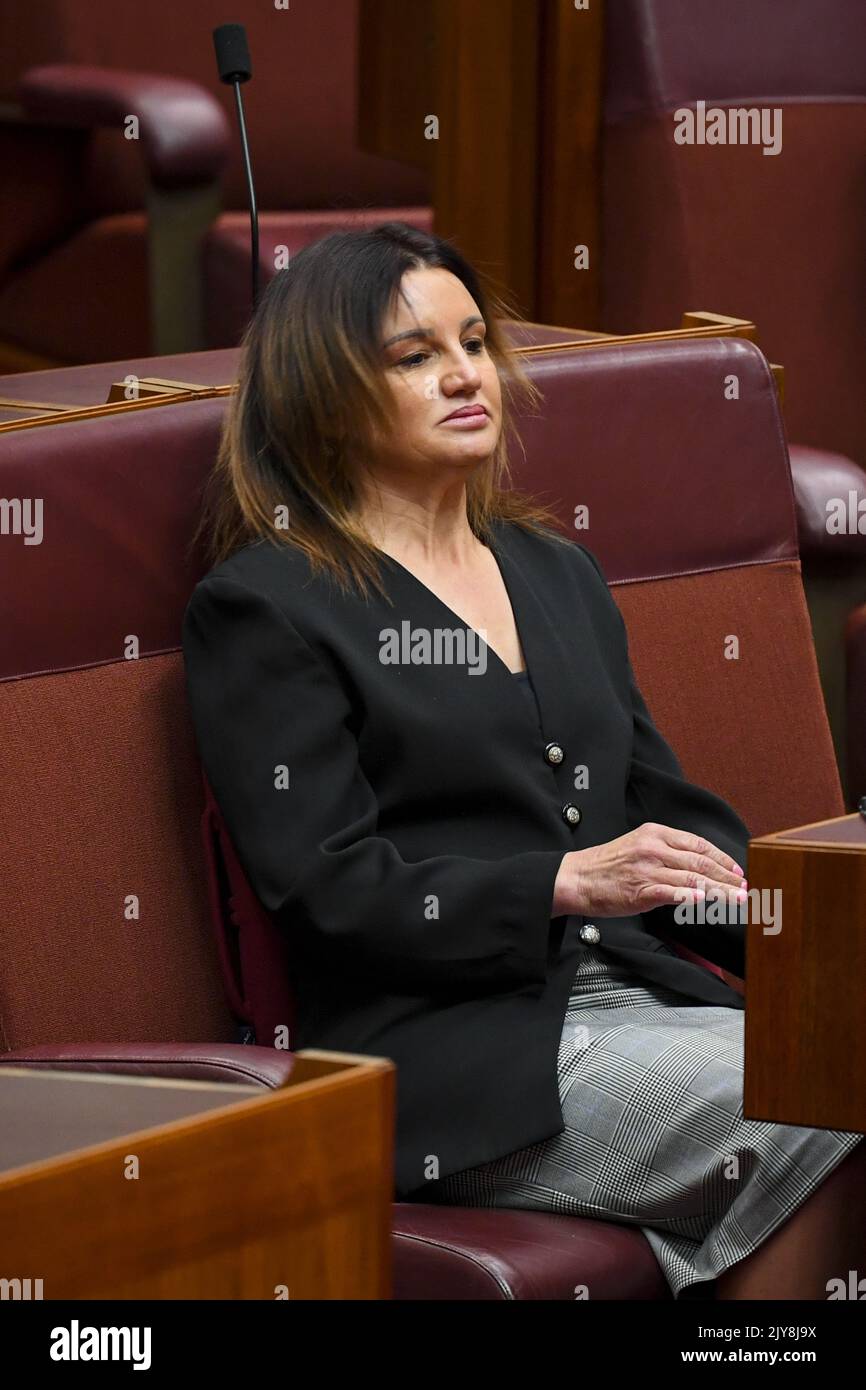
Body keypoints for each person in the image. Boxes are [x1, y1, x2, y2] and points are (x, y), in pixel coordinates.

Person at [182, 221, 864, 1301]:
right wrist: (556, 880)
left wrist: (812, 919)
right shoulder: (266, 607)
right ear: (323, 391)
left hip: (641, 997)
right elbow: (324, 887)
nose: (465, 375)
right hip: (455, 1063)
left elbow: (660, 816)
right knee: (831, 1100)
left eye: (473, 342)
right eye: (414, 356)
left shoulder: (555, 571)